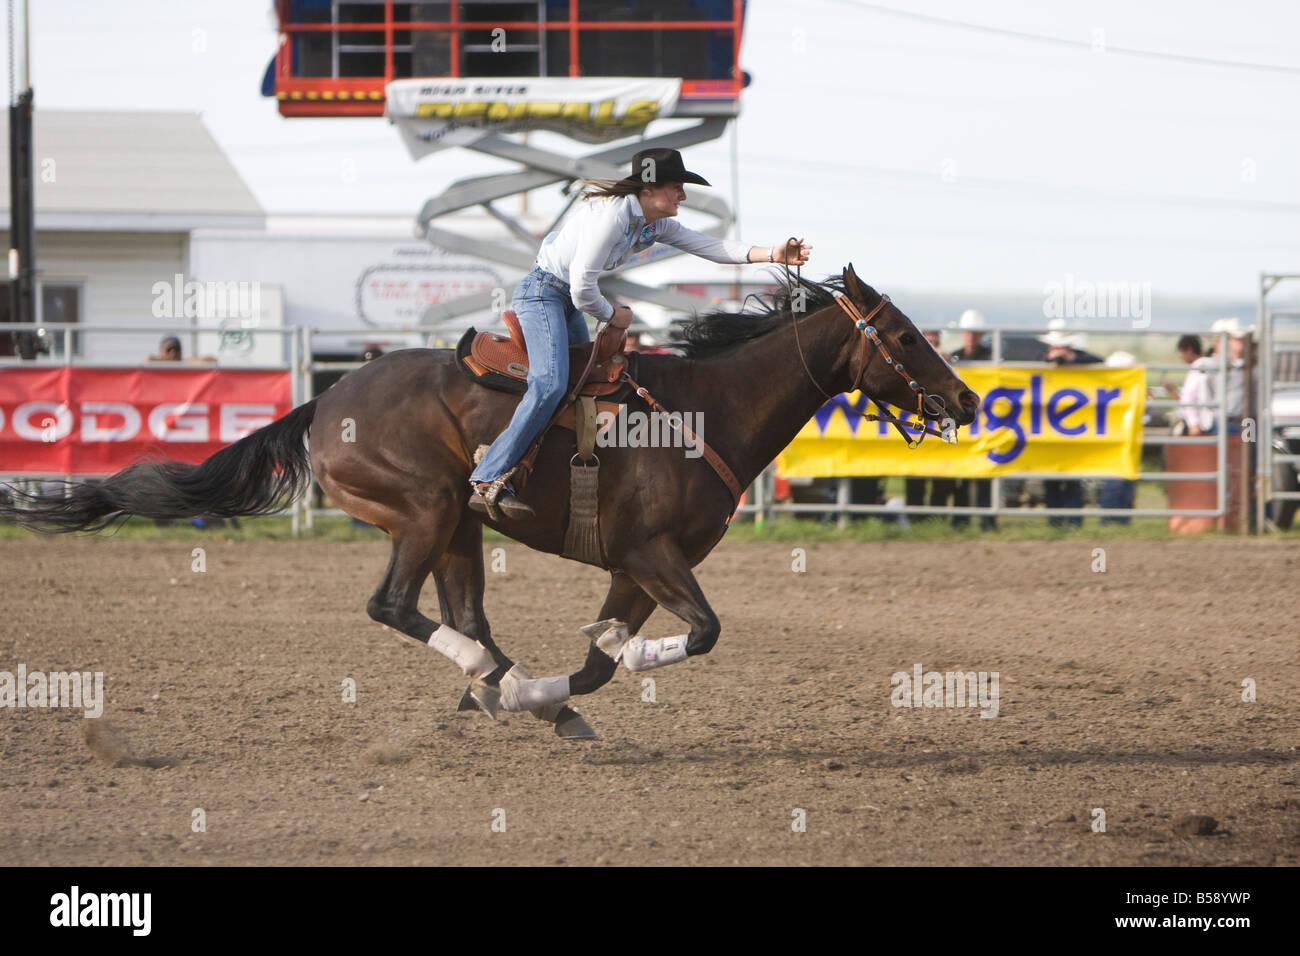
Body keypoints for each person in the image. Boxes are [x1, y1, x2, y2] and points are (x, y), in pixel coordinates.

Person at [467, 147, 811, 518]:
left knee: (585, 386)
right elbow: (583, 288)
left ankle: (540, 471)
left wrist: (773, 253)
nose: (682, 194)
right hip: (543, 293)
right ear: (648, 190)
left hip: (562, 297)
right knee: (550, 383)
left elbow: (710, 247)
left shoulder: (651, 223)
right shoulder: (612, 217)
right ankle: (488, 476)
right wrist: (614, 315)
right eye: (676, 186)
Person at [1039, 329, 1103, 527]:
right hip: (1048, 428)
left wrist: (1072, 359)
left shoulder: (1082, 360)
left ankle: (1074, 521)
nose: (1058, 351)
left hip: (1074, 429)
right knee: (1050, 479)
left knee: (1074, 479)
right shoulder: (1039, 361)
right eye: (1055, 346)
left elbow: (1100, 363)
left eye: (1062, 347)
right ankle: (1055, 521)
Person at [947, 310, 996, 529]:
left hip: (986, 424)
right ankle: (961, 519)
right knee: (962, 471)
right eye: (968, 333)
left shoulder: (990, 356)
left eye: (974, 333)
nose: (970, 337)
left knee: (985, 471)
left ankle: (987, 520)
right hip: (965, 420)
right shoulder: (955, 357)